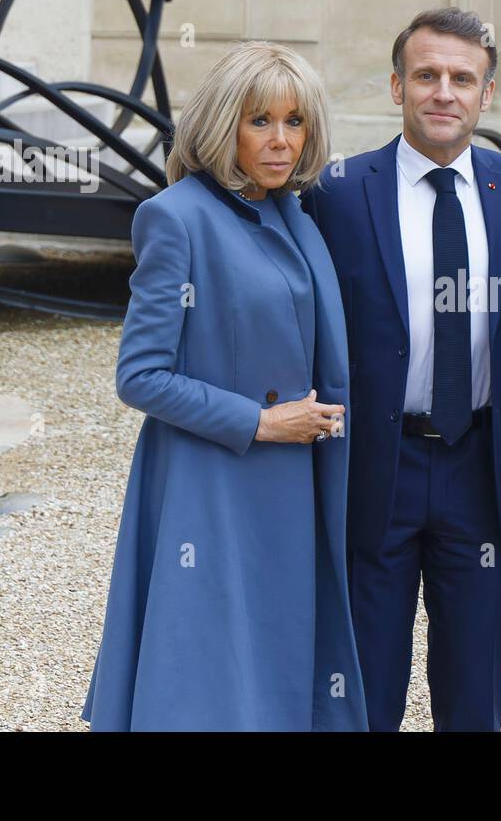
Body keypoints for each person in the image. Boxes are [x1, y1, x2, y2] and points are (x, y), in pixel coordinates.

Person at [81, 42, 367, 731]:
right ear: (222, 125)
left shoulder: (294, 213)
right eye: (260, 121)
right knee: (208, 674)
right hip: (210, 483)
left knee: (277, 659)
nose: (280, 140)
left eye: (294, 122)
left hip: (295, 482)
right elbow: (141, 376)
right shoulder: (175, 217)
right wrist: (261, 423)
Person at [301, 7, 501, 731]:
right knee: (364, 691)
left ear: (487, 93)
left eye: (462, 78)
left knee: (474, 695)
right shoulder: (340, 192)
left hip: (483, 467)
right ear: (397, 86)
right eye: (427, 76)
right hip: (374, 469)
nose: (444, 92)